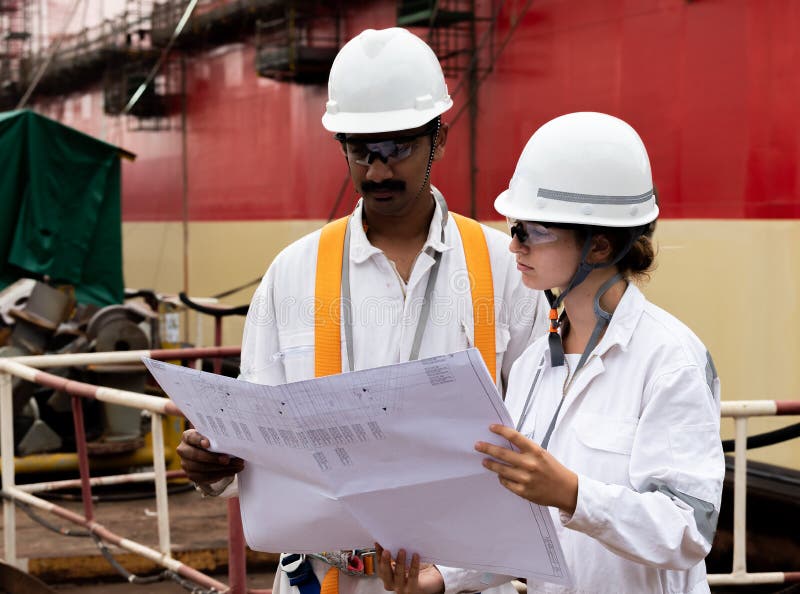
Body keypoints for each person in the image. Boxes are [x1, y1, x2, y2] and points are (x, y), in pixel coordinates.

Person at [176, 27, 549, 594]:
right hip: (323, 579)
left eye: (398, 147)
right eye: (361, 150)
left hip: (463, 582)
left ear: (439, 140)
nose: (378, 171)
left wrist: (449, 577)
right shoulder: (293, 275)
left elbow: (541, 439)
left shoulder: (506, 270)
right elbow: (258, 445)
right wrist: (218, 465)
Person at [375, 112, 725, 594]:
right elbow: (528, 533)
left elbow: (687, 532)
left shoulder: (670, 360)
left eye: (533, 231)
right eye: (514, 227)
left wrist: (572, 494)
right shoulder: (535, 365)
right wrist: (441, 580)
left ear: (599, 245)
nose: (514, 245)